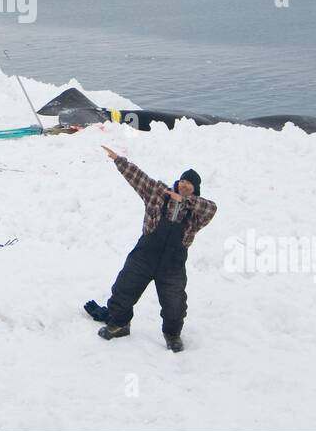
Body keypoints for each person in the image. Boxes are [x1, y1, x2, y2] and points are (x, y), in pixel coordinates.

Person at [84, 146, 217, 352]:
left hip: (172, 265)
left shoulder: (198, 211)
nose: (184, 184)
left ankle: (172, 335)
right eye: (182, 180)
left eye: (189, 183)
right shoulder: (158, 193)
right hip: (145, 255)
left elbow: (212, 208)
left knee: (175, 304)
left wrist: (185, 201)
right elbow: (138, 177)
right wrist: (119, 160)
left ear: (195, 189)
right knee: (123, 289)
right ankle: (120, 324)